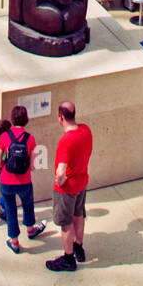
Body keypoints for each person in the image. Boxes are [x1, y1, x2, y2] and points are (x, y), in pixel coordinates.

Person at [46, 101, 92, 273]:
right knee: (78, 215)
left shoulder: (65, 141)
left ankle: (68, 258)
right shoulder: (86, 130)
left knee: (66, 224)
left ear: (61, 117)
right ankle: (79, 246)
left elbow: (61, 172)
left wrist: (59, 182)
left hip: (67, 189)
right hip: (82, 183)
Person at [0, 105, 46, 254]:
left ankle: (15, 242)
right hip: (24, 181)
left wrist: (6, 164)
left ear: (12, 119)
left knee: (10, 210)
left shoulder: (4, 136)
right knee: (28, 205)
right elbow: (32, 166)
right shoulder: (30, 139)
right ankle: (30, 230)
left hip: (6, 181)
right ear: (26, 120)